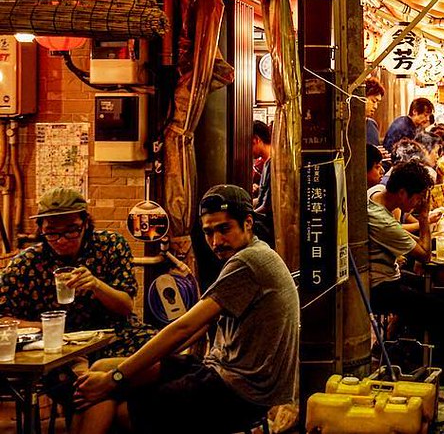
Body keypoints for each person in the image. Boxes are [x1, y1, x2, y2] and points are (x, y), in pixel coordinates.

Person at [74, 185, 299, 434]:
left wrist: (115, 379)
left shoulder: (248, 261)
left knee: (116, 408)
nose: (216, 241)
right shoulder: (256, 253)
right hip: (221, 372)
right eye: (208, 232)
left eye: (224, 229)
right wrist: (127, 372)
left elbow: (183, 327)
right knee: (99, 369)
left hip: (239, 391)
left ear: (247, 223)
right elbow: (200, 326)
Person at [366, 162, 444, 416]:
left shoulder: (376, 193)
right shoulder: (381, 219)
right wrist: (425, 218)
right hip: (380, 288)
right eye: (418, 198)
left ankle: (405, 336)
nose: (419, 203)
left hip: (389, 276)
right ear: (402, 193)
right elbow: (424, 255)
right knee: (440, 312)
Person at [0, 189, 154, 359]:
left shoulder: (110, 246)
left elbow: (126, 307)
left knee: (158, 352)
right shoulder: (26, 263)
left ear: (85, 223)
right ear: (41, 230)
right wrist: (48, 325)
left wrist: (96, 285)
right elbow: (3, 319)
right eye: (52, 233)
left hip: (112, 335)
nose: (62, 240)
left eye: (71, 230)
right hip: (55, 344)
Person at [251, 120, 275, 244]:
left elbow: (267, 206)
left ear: (256, 139)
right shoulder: (266, 163)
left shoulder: (273, 164)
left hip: (268, 228)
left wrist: (249, 216)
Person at [365, 79, 385, 148]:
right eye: (373, 101)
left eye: (377, 103)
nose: (375, 107)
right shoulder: (348, 124)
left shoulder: (372, 125)